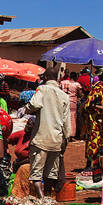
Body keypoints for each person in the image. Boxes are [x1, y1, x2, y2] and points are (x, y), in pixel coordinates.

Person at [26, 66, 69, 198]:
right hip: (56, 140)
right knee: (51, 173)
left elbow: (33, 105)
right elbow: (67, 123)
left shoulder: (42, 90)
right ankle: (49, 201)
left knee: (36, 175)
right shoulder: (64, 96)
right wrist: (65, 141)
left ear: (44, 77)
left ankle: (41, 199)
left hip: (41, 139)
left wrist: (27, 109)